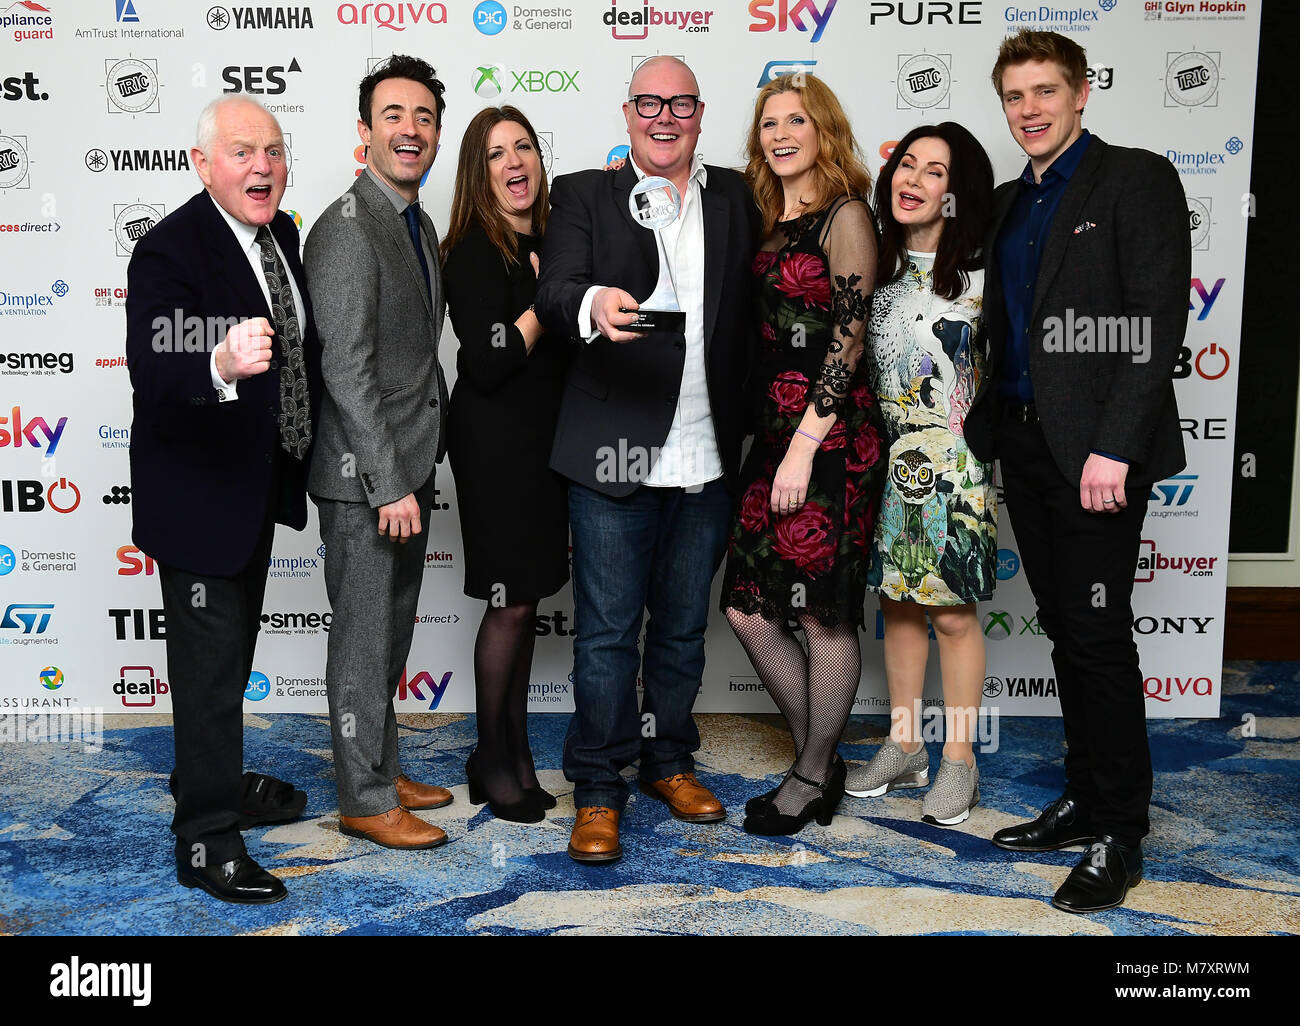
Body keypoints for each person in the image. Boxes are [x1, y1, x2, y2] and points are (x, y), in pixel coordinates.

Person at [964, 29, 1190, 913]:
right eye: (1016, 96)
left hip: (1096, 453)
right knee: (1065, 628)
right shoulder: (1013, 202)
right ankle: (1084, 796)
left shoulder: (1134, 178)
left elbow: (1152, 320)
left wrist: (1117, 448)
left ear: (1083, 91)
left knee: (1097, 638)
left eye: (1045, 92)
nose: (1030, 110)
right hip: (1024, 444)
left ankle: (1120, 833)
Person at [535, 56, 760, 864]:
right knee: (604, 636)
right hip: (613, 456)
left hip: (705, 454)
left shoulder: (737, 195)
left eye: (681, 104)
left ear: (701, 113)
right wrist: (591, 303)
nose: (665, 117)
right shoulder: (584, 195)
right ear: (627, 112)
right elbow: (555, 292)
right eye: (649, 103)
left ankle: (667, 760)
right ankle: (597, 786)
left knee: (680, 632)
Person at [125, 94, 321, 904]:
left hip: (253, 488)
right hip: (198, 499)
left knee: (226, 664)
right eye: (243, 151)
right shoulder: (170, 248)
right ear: (203, 163)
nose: (263, 166)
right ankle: (206, 838)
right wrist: (218, 360)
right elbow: (154, 359)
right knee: (208, 674)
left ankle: (208, 779)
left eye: (273, 150)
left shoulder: (282, 234)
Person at [719, 73, 886, 837]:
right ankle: (819, 752)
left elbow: (848, 342)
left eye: (796, 121)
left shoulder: (846, 214)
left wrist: (804, 449)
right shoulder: (766, 217)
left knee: (823, 617)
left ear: (824, 130)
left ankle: (814, 773)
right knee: (748, 610)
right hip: (774, 436)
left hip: (831, 440)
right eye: (768, 123)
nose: (781, 134)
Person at [304, 54, 454, 851]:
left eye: (424, 117)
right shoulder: (346, 228)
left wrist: (410, 473)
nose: (411, 130)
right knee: (363, 641)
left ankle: (381, 766)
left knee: (391, 633)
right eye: (394, 115)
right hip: (368, 477)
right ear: (365, 132)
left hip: (408, 466)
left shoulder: (415, 222)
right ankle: (363, 798)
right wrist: (387, 481)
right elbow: (346, 370)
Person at [848, 122, 997, 827]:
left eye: (933, 172)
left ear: (956, 193)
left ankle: (959, 761)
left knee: (952, 614)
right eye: (906, 164)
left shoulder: (981, 279)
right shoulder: (873, 266)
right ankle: (905, 743)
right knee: (899, 605)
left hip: (957, 467)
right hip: (890, 460)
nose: (912, 179)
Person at [440, 105, 569, 823]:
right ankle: (491, 757)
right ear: (477, 172)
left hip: (549, 444)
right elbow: (487, 362)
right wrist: (546, 303)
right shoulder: (470, 249)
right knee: (509, 600)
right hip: (494, 445)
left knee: (529, 596)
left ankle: (513, 753)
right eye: (496, 154)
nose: (515, 162)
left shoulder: (552, 238)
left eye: (524, 147)